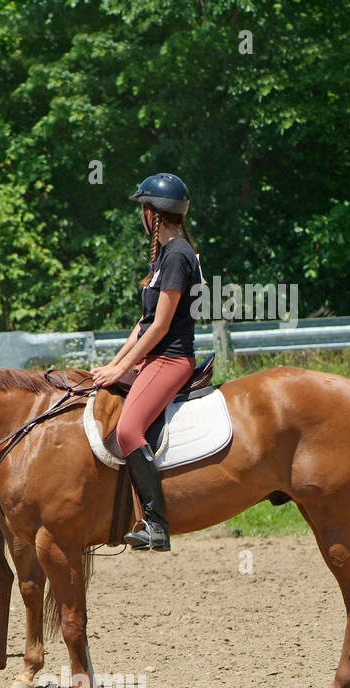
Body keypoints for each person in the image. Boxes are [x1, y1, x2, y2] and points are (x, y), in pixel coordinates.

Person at [89, 173, 203, 552]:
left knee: (127, 430)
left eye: (143, 208)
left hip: (170, 360)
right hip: (153, 357)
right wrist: (111, 364)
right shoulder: (164, 257)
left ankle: (156, 522)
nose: (141, 215)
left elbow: (161, 327)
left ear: (153, 215)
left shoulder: (177, 255)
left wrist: (121, 369)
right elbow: (143, 324)